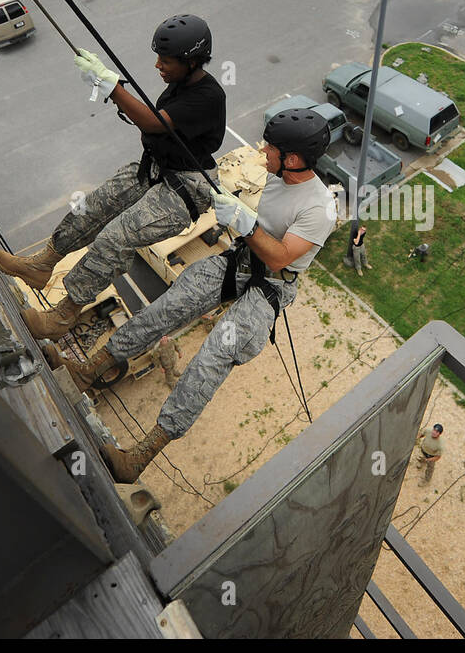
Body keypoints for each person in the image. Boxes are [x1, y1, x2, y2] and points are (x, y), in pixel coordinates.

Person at [45, 107, 336, 483]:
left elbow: (280, 256)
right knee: (167, 308)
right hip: (242, 261)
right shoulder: (277, 175)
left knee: (212, 359)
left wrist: (245, 224)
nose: (263, 150)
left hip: (272, 286)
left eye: (271, 147)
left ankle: (140, 456)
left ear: (293, 159)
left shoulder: (319, 207)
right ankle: (90, 369)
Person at [0, 15, 224, 340]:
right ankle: (41, 265)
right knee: (94, 206)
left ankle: (63, 317)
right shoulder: (179, 85)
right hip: (158, 166)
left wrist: (111, 85)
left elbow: (154, 123)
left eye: (167, 61)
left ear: (191, 61)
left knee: (115, 238)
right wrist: (109, 83)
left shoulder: (208, 97)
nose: (158, 65)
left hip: (185, 188)